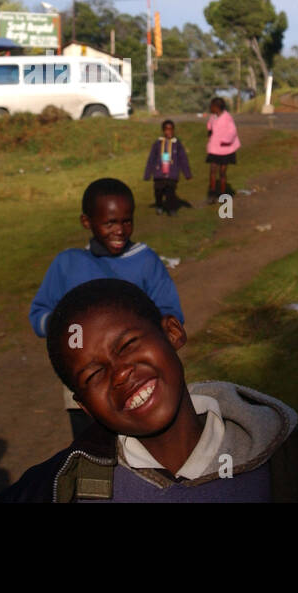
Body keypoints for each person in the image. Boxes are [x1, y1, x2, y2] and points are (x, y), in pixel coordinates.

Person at [0, 278, 298, 502]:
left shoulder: (293, 470)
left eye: (127, 345)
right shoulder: (58, 487)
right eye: (94, 375)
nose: (121, 373)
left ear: (172, 332)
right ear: (86, 408)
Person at [30, 178, 185, 438]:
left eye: (127, 221)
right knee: (93, 449)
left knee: (143, 445)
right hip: (88, 378)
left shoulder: (145, 261)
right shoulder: (68, 263)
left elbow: (170, 313)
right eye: (110, 222)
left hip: (136, 379)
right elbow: (39, 314)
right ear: (86, 222)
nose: (120, 230)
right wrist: (63, 328)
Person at [143, 119, 192, 215]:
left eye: (171, 129)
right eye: (166, 129)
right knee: (158, 191)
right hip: (159, 172)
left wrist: (187, 174)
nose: (169, 132)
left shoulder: (177, 144)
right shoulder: (157, 143)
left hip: (172, 172)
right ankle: (159, 205)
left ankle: (171, 209)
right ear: (163, 131)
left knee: (171, 191)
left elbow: (183, 159)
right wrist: (147, 174)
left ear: (173, 130)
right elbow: (151, 159)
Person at [205, 97, 240, 204]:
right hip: (215, 149)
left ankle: (223, 195)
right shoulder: (213, 117)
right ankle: (212, 193)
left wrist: (225, 140)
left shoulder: (227, 118)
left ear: (216, 107)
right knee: (212, 171)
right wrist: (209, 130)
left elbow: (232, 131)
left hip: (225, 150)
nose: (210, 108)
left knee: (222, 172)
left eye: (211, 106)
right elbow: (210, 126)